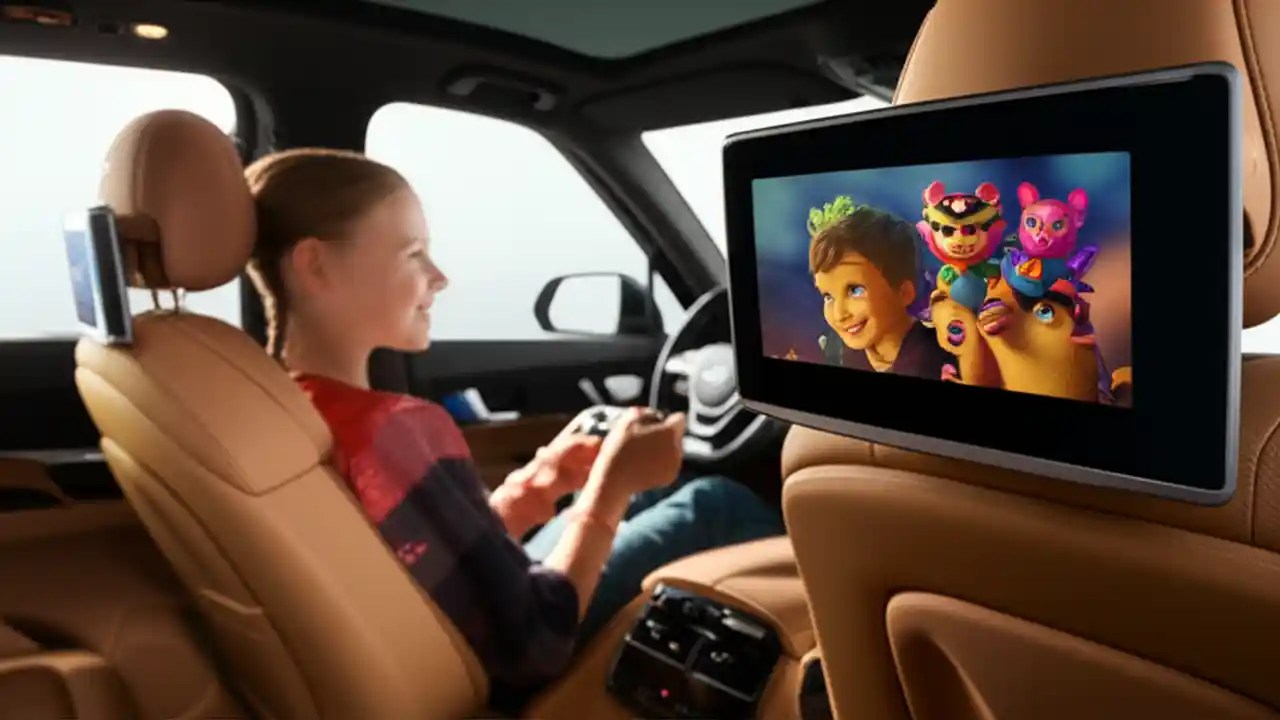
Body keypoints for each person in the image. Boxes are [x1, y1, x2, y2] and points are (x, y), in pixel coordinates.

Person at [244, 148, 783, 709]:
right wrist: (608, 491)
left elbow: (417, 563)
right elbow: (535, 638)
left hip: (429, 639)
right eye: (413, 254)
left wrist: (538, 487)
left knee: (662, 491)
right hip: (501, 663)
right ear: (315, 266)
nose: (440, 278)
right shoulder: (396, 429)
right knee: (712, 501)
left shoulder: (282, 406)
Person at [809, 200, 950, 379]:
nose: (839, 314)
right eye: (828, 297)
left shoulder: (933, 358)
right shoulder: (838, 351)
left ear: (904, 293)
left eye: (855, 291)